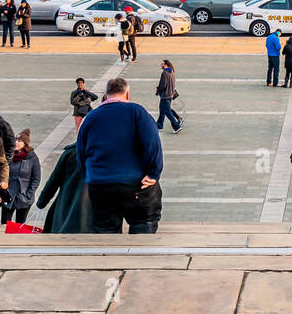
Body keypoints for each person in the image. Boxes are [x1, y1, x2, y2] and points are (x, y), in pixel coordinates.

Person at [75, 76, 163, 234]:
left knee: (105, 229)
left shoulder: (91, 117)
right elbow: (153, 145)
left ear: (106, 94)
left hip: (101, 185)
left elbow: (80, 153)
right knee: (144, 222)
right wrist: (154, 173)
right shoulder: (138, 112)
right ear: (127, 94)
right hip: (137, 185)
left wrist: (90, 177)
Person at [36, 142, 93, 233]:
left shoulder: (71, 152)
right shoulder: (108, 152)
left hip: (66, 211)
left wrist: (41, 202)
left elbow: (54, 180)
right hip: (97, 218)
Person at [2, 128, 40, 225]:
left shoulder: (32, 157)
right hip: (8, 195)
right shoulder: (9, 154)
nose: (16, 143)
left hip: (24, 196)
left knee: (20, 226)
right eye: (15, 140)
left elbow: (36, 178)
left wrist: (28, 194)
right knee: (5, 225)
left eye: (19, 141)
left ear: (25, 144)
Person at [155, 59, 182, 133]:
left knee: (168, 112)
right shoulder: (172, 72)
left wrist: (158, 90)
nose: (161, 65)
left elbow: (163, 85)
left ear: (165, 64)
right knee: (162, 110)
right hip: (170, 95)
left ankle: (176, 126)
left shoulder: (165, 73)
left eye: (162, 64)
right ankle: (159, 125)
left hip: (165, 95)